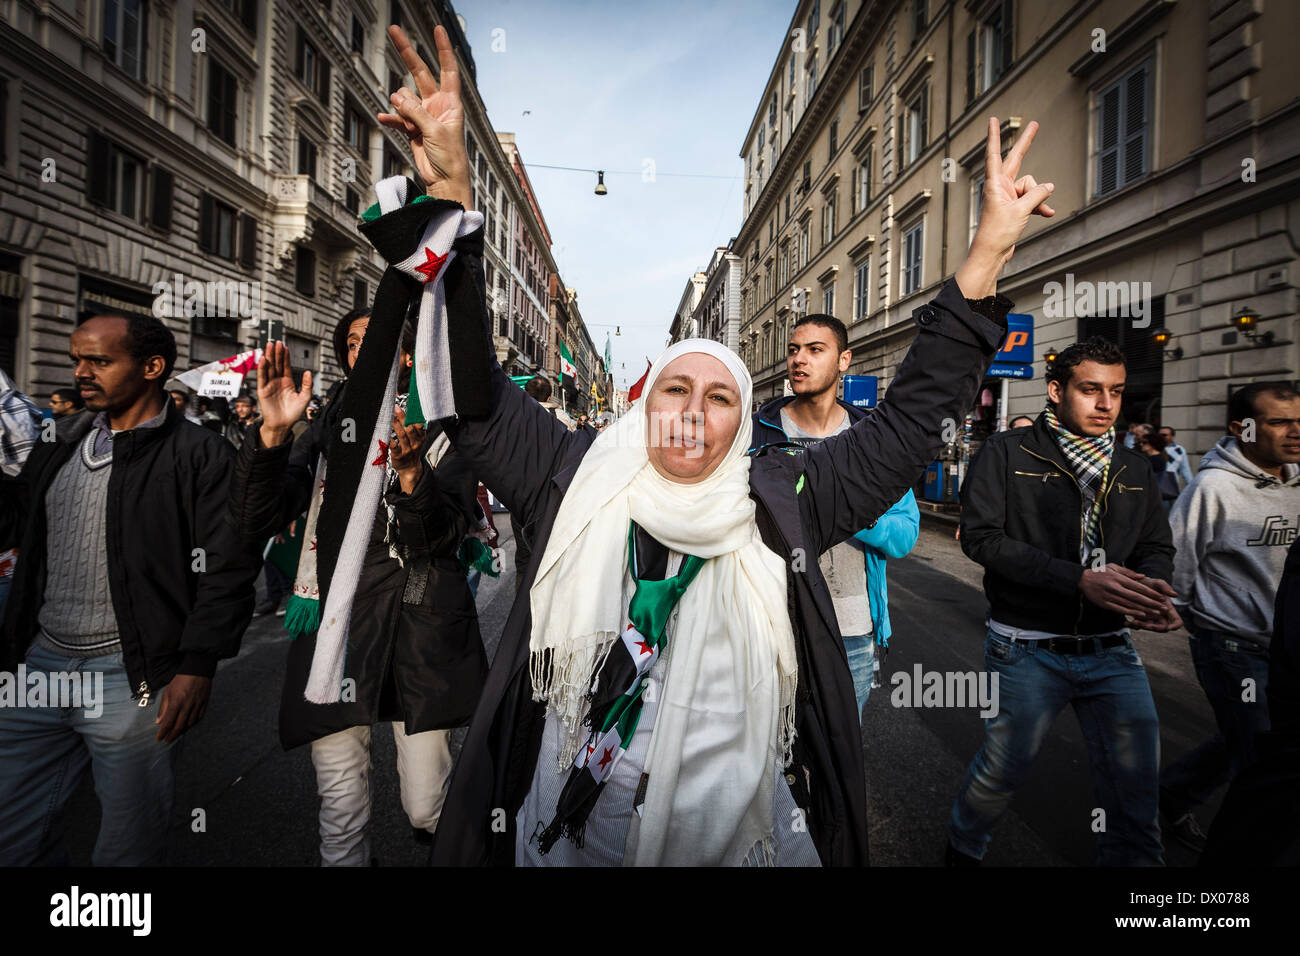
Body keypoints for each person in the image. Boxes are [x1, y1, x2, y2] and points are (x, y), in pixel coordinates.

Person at [373, 23, 1054, 866]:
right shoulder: (569, 473)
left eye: (721, 395)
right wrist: (453, 208)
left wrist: (984, 256)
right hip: (569, 834)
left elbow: (909, 425)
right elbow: (473, 401)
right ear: (644, 405)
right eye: (676, 389)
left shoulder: (782, 496)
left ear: (743, 422)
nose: (694, 410)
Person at [228, 308, 488, 865]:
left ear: (409, 356)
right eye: (352, 342)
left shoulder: (448, 427)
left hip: (419, 634)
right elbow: (257, 518)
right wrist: (272, 435)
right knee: (340, 813)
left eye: (377, 341)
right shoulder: (326, 424)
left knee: (427, 808)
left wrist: (414, 477)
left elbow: (441, 537)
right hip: (334, 630)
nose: (362, 351)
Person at [0, 313, 258, 865]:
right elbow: (16, 529)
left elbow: (228, 568)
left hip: (133, 680)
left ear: (152, 367)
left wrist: (197, 664)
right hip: (39, 671)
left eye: (99, 360)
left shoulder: (200, 454)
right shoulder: (58, 445)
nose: (81, 372)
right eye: (76, 359)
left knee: (127, 847)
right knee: (13, 831)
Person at [948, 336, 1180, 867]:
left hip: (1112, 649)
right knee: (1000, 774)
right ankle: (962, 852)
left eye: (1117, 392)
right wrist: (1078, 579)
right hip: (1026, 647)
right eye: (1091, 390)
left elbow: (1154, 545)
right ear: (1056, 390)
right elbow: (982, 539)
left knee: (1136, 791)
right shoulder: (1007, 453)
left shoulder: (1133, 467)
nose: (1106, 405)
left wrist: (1151, 589)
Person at [750, 313, 919, 717]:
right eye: (793, 350)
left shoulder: (871, 438)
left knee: (839, 759)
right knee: (763, 756)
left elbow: (904, 533)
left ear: (844, 360)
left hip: (851, 629)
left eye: (814, 350)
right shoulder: (757, 432)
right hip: (769, 623)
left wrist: (856, 513)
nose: (798, 360)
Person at [1159, 382, 1300, 851]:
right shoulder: (1213, 487)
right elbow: (1179, 555)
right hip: (1231, 644)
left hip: (1287, 646)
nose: (1294, 431)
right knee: (1261, 759)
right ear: (1242, 428)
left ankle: (1169, 795)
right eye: (1279, 421)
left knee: (1252, 740)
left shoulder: (1298, 482)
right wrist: (1173, 608)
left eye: (1298, 420)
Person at [512, 377, 575, 577]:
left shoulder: (515, 415)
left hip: (522, 493)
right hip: (554, 494)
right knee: (552, 554)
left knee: (524, 558)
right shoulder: (563, 418)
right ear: (549, 396)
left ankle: (521, 604)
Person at [1158, 424, 1194, 492]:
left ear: (1172, 437)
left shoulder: (1180, 449)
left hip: (1172, 486)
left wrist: (1192, 486)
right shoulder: (1152, 448)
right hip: (1155, 486)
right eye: (1159, 435)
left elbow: (1185, 470)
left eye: (1164, 435)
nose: (1161, 437)